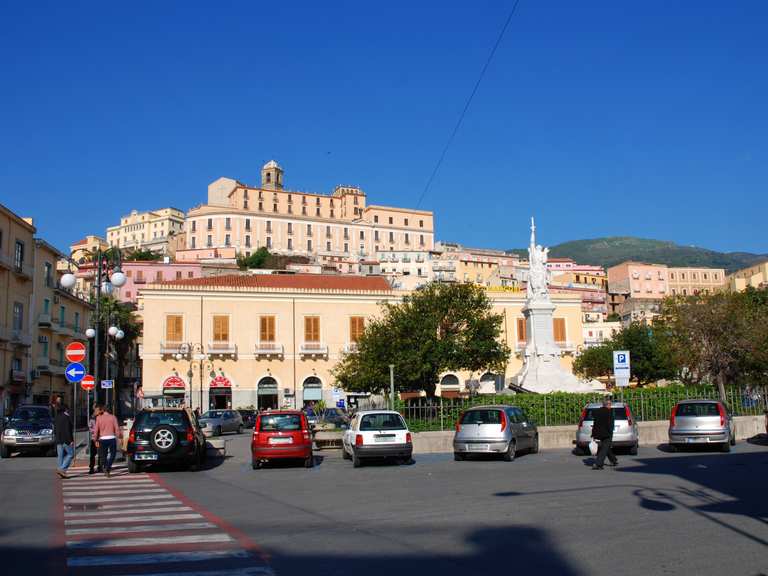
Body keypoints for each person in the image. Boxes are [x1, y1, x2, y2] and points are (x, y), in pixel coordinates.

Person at [94, 405, 122, 478]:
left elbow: (96, 430)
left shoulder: (98, 418)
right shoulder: (113, 417)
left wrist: (95, 439)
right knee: (113, 454)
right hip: (111, 438)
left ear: (103, 410)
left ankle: (105, 466)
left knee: (103, 455)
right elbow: (117, 428)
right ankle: (108, 467)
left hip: (102, 438)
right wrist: (119, 437)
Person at [591, 397, 618, 470]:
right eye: (610, 404)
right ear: (608, 404)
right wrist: (611, 432)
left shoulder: (597, 411)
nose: (610, 406)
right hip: (607, 433)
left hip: (599, 433)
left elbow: (595, 423)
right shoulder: (610, 412)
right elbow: (610, 424)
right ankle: (598, 464)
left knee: (606, 447)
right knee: (604, 448)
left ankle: (613, 460)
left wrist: (593, 434)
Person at [54, 404, 74, 479]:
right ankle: (62, 469)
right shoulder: (66, 417)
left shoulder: (57, 417)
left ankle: (61, 472)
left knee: (60, 456)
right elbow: (67, 430)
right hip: (66, 440)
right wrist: (70, 440)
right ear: (66, 409)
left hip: (58, 440)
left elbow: (55, 429)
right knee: (70, 454)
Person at [88, 404, 103, 475]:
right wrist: (94, 431)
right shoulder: (92, 417)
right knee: (92, 454)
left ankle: (100, 467)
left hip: (100, 438)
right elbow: (90, 426)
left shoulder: (101, 417)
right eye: (96, 410)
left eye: (98, 410)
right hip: (94, 438)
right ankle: (91, 468)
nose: (97, 411)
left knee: (100, 453)